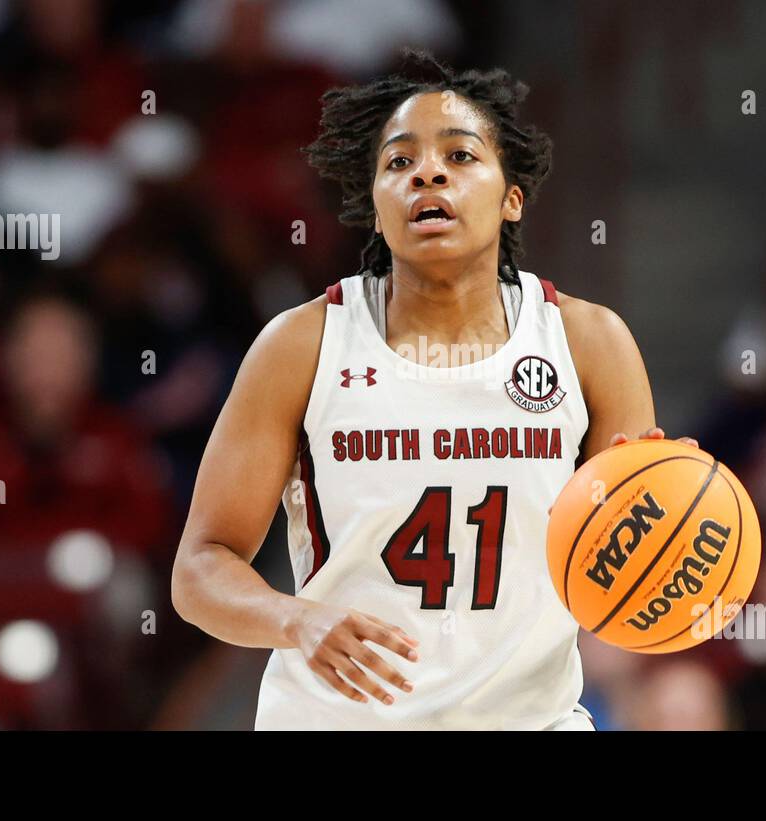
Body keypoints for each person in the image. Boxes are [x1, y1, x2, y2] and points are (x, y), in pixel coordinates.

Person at [170, 51, 695, 730]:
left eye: (460, 155)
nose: (427, 172)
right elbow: (199, 569)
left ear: (512, 199)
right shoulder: (301, 346)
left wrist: (669, 516)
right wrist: (295, 618)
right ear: (376, 208)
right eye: (399, 162)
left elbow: (625, 591)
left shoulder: (590, 342)